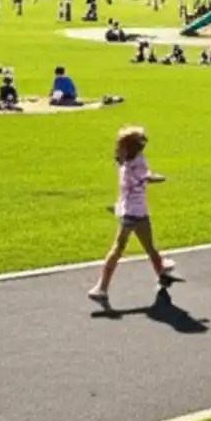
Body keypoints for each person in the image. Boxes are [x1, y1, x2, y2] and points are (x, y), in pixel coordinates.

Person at [87, 126, 176, 305]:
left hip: (131, 214)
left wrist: (157, 178)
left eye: (120, 147)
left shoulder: (133, 167)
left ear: (129, 149)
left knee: (117, 249)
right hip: (139, 212)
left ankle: (102, 288)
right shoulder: (133, 161)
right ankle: (162, 274)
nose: (117, 150)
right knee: (149, 247)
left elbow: (143, 176)